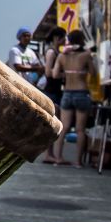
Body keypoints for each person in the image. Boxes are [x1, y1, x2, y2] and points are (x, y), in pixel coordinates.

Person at [52, 29, 96, 166]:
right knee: (80, 129)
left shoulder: (62, 56)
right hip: (81, 92)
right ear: (82, 40)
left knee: (64, 127)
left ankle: (58, 158)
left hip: (67, 93)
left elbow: (54, 74)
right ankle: (78, 162)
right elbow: (93, 72)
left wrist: (67, 74)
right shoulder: (86, 55)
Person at [41, 26, 66, 163]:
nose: (65, 40)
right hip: (51, 91)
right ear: (57, 38)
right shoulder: (51, 52)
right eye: (63, 37)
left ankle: (50, 154)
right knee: (53, 124)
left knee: (55, 124)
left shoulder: (57, 52)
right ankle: (48, 154)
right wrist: (64, 74)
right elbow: (48, 72)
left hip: (56, 91)